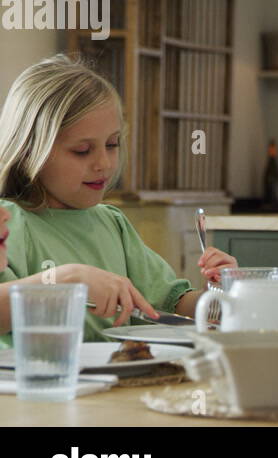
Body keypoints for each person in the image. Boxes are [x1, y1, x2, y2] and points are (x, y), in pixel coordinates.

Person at [0, 55, 237, 346]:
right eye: (82, 150)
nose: (104, 163)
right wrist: (66, 281)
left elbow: (169, 306)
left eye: (112, 145)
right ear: (29, 150)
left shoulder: (111, 223)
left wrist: (222, 294)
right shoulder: (7, 222)